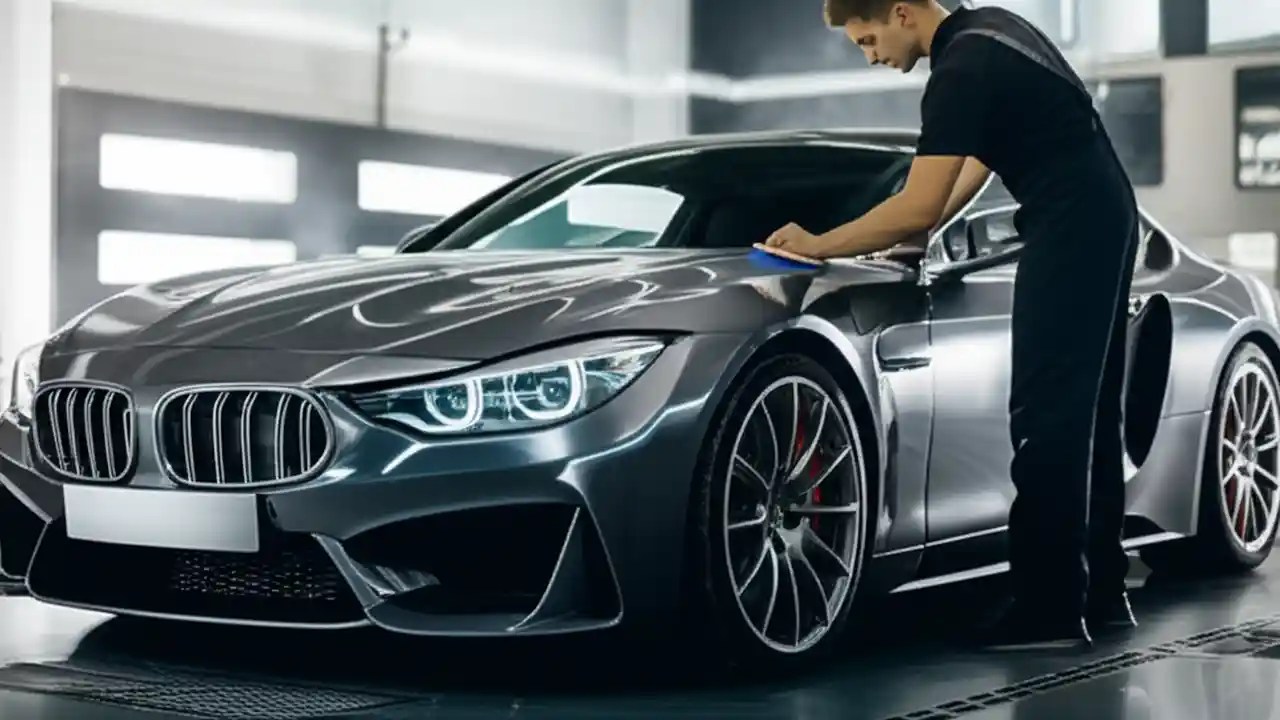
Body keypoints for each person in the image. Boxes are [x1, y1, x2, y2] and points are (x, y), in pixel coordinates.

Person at [765, 0, 1140, 650]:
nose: (871, 57)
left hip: (1072, 229)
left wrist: (818, 244)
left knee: (1047, 418)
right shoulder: (990, 32)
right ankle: (1101, 595)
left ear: (901, 12)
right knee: (1089, 417)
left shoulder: (960, 69)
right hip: (1105, 215)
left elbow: (917, 202)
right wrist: (921, 227)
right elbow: (976, 163)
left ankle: (1049, 612)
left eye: (867, 40)